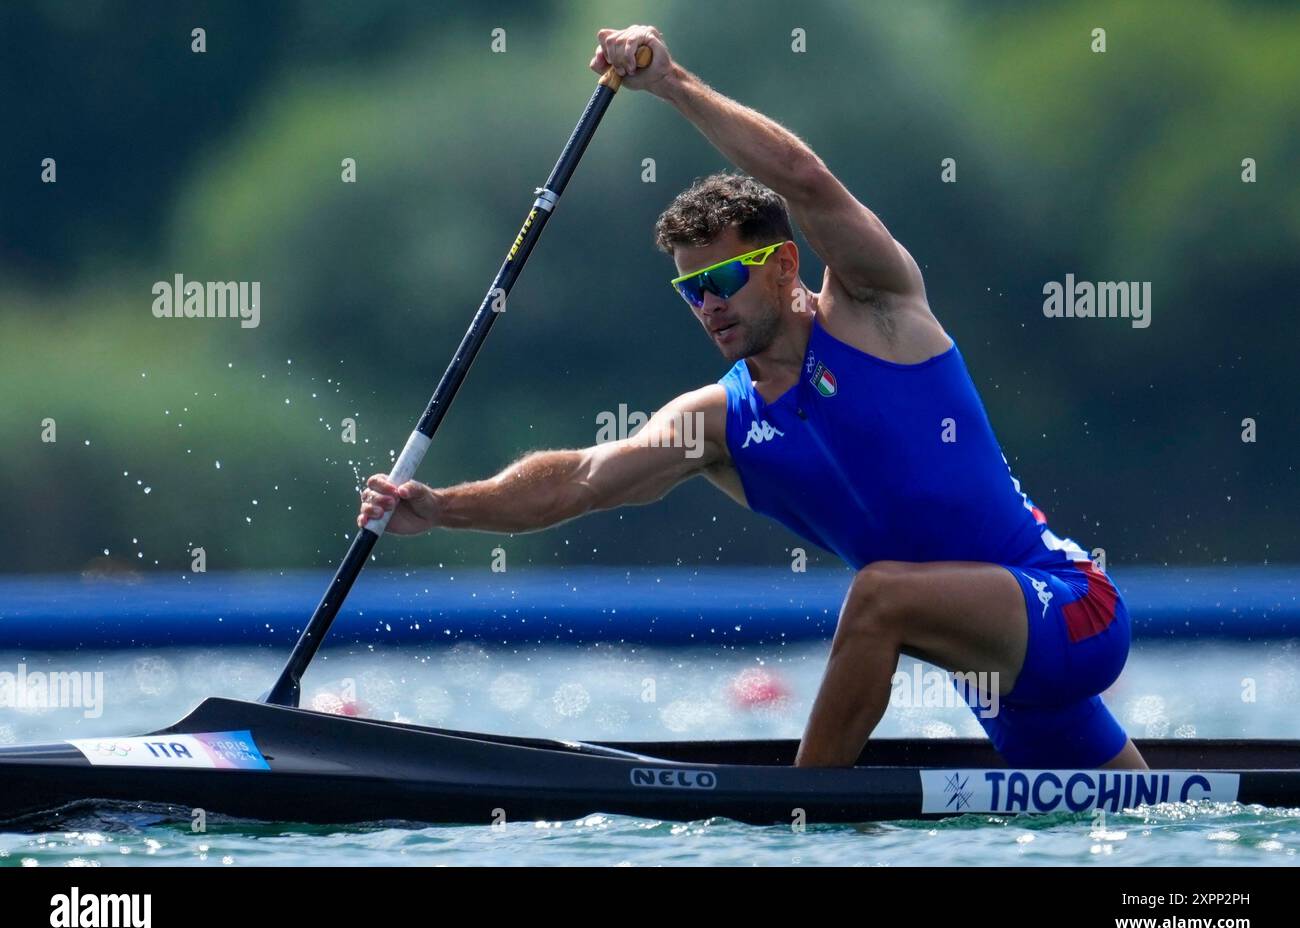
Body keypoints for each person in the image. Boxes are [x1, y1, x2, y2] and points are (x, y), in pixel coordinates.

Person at [358, 25, 1146, 771]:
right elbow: (582, 479)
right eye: (691, 290)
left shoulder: (876, 307)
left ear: (784, 265)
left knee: (876, 597)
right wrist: (444, 508)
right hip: (994, 670)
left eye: (725, 278)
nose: (709, 305)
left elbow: (805, 179)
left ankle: (805, 815)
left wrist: (672, 84)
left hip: (1072, 607)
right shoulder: (718, 422)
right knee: (1142, 820)